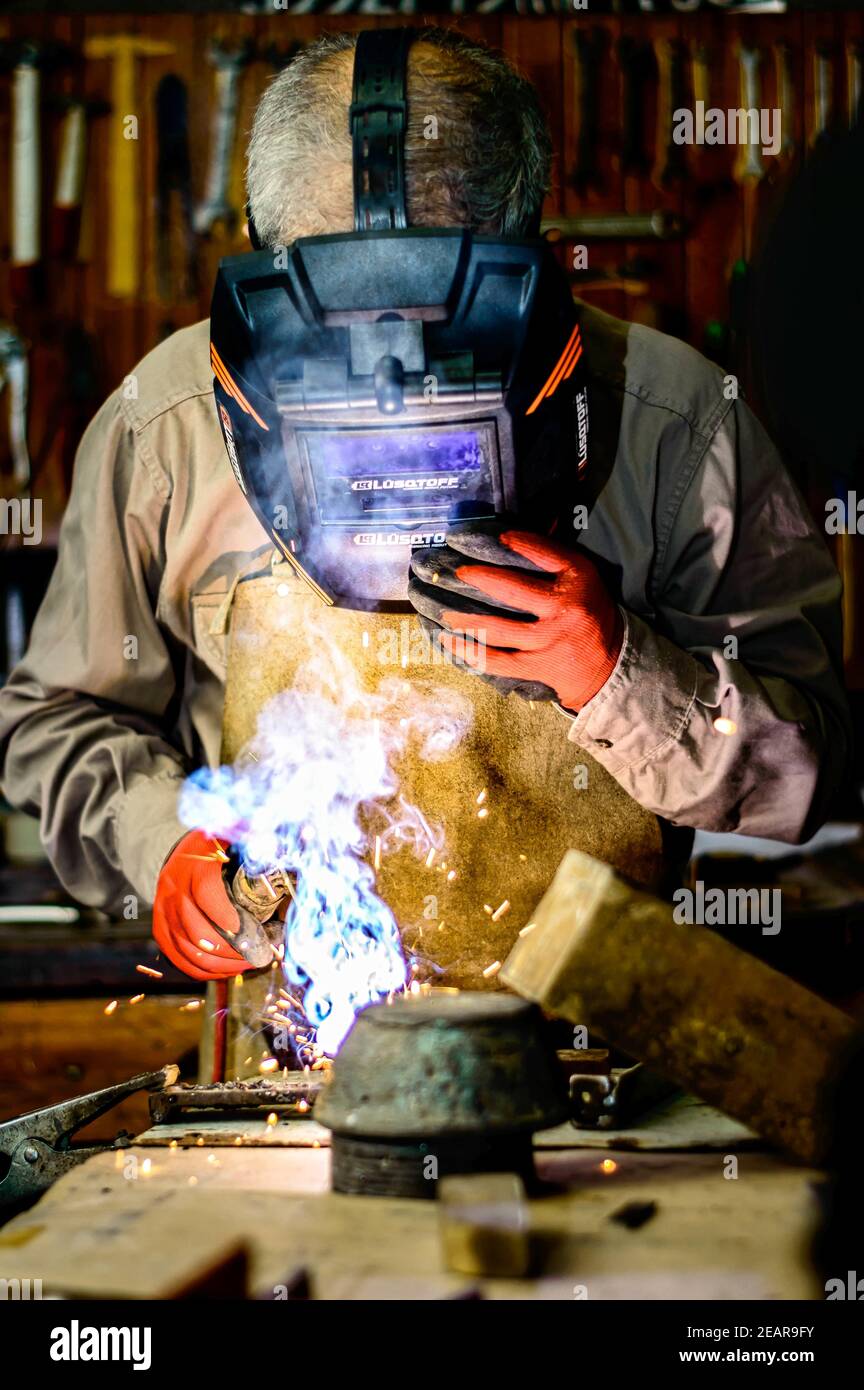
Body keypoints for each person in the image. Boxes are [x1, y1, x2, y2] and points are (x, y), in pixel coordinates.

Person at [0, 28, 850, 983]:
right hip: (291, 1083)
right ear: (270, 266)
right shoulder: (170, 422)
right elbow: (57, 716)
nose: (393, 371)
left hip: (605, 1069)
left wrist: (615, 669)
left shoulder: (674, 418)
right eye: (341, 329)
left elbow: (805, 779)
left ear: (517, 257)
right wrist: (166, 840)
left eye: (442, 327)